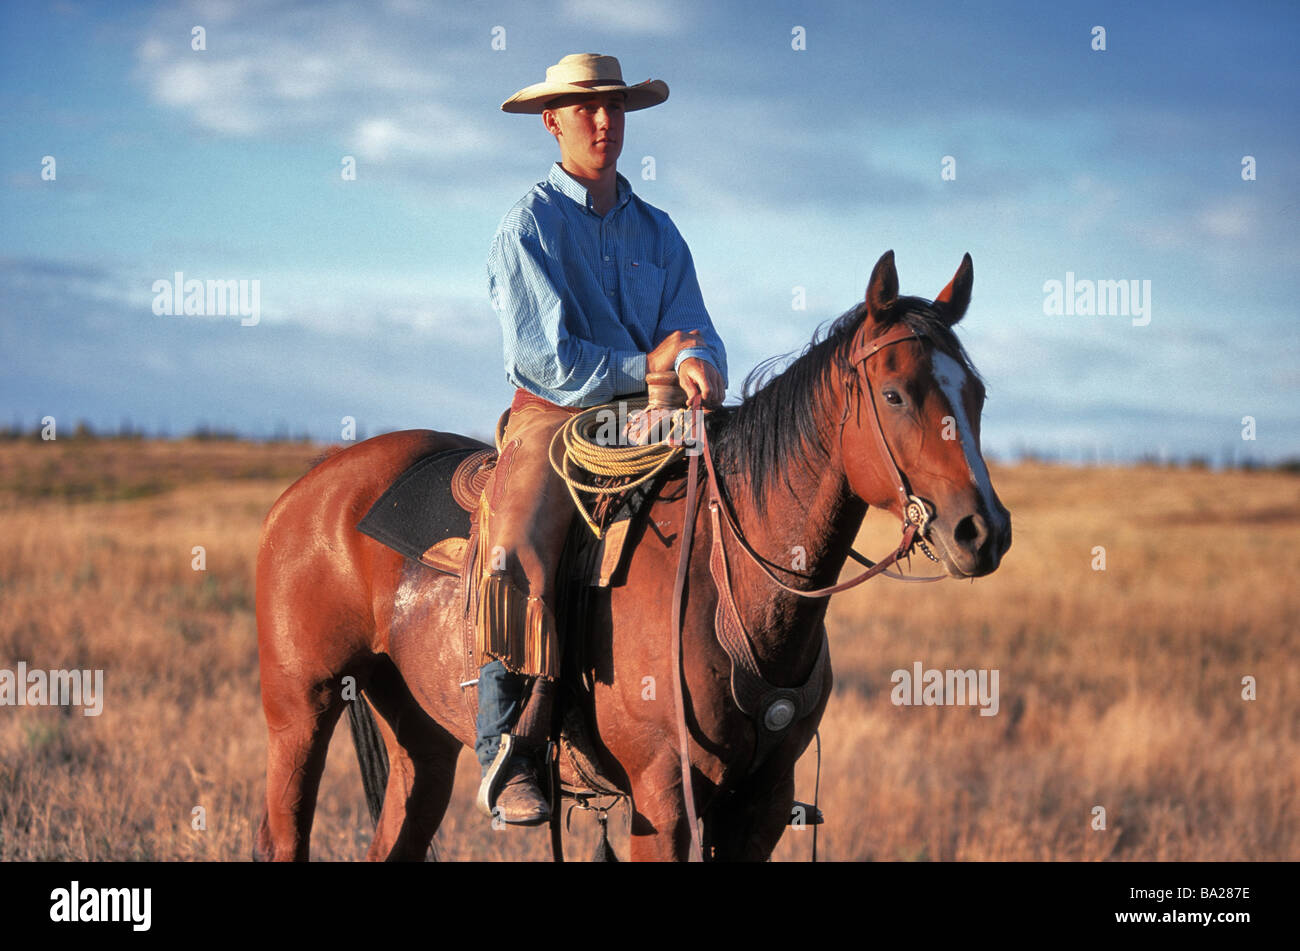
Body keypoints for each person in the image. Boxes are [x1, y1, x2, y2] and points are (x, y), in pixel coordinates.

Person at [474, 53, 728, 825]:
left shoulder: (660, 232)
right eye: (584, 108)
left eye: (613, 106)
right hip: (553, 412)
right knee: (515, 536)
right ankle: (505, 740)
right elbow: (542, 357)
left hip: (652, 410)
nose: (603, 120)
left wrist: (698, 365)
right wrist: (639, 362)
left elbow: (696, 330)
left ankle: (736, 703)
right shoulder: (530, 225)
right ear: (551, 121)